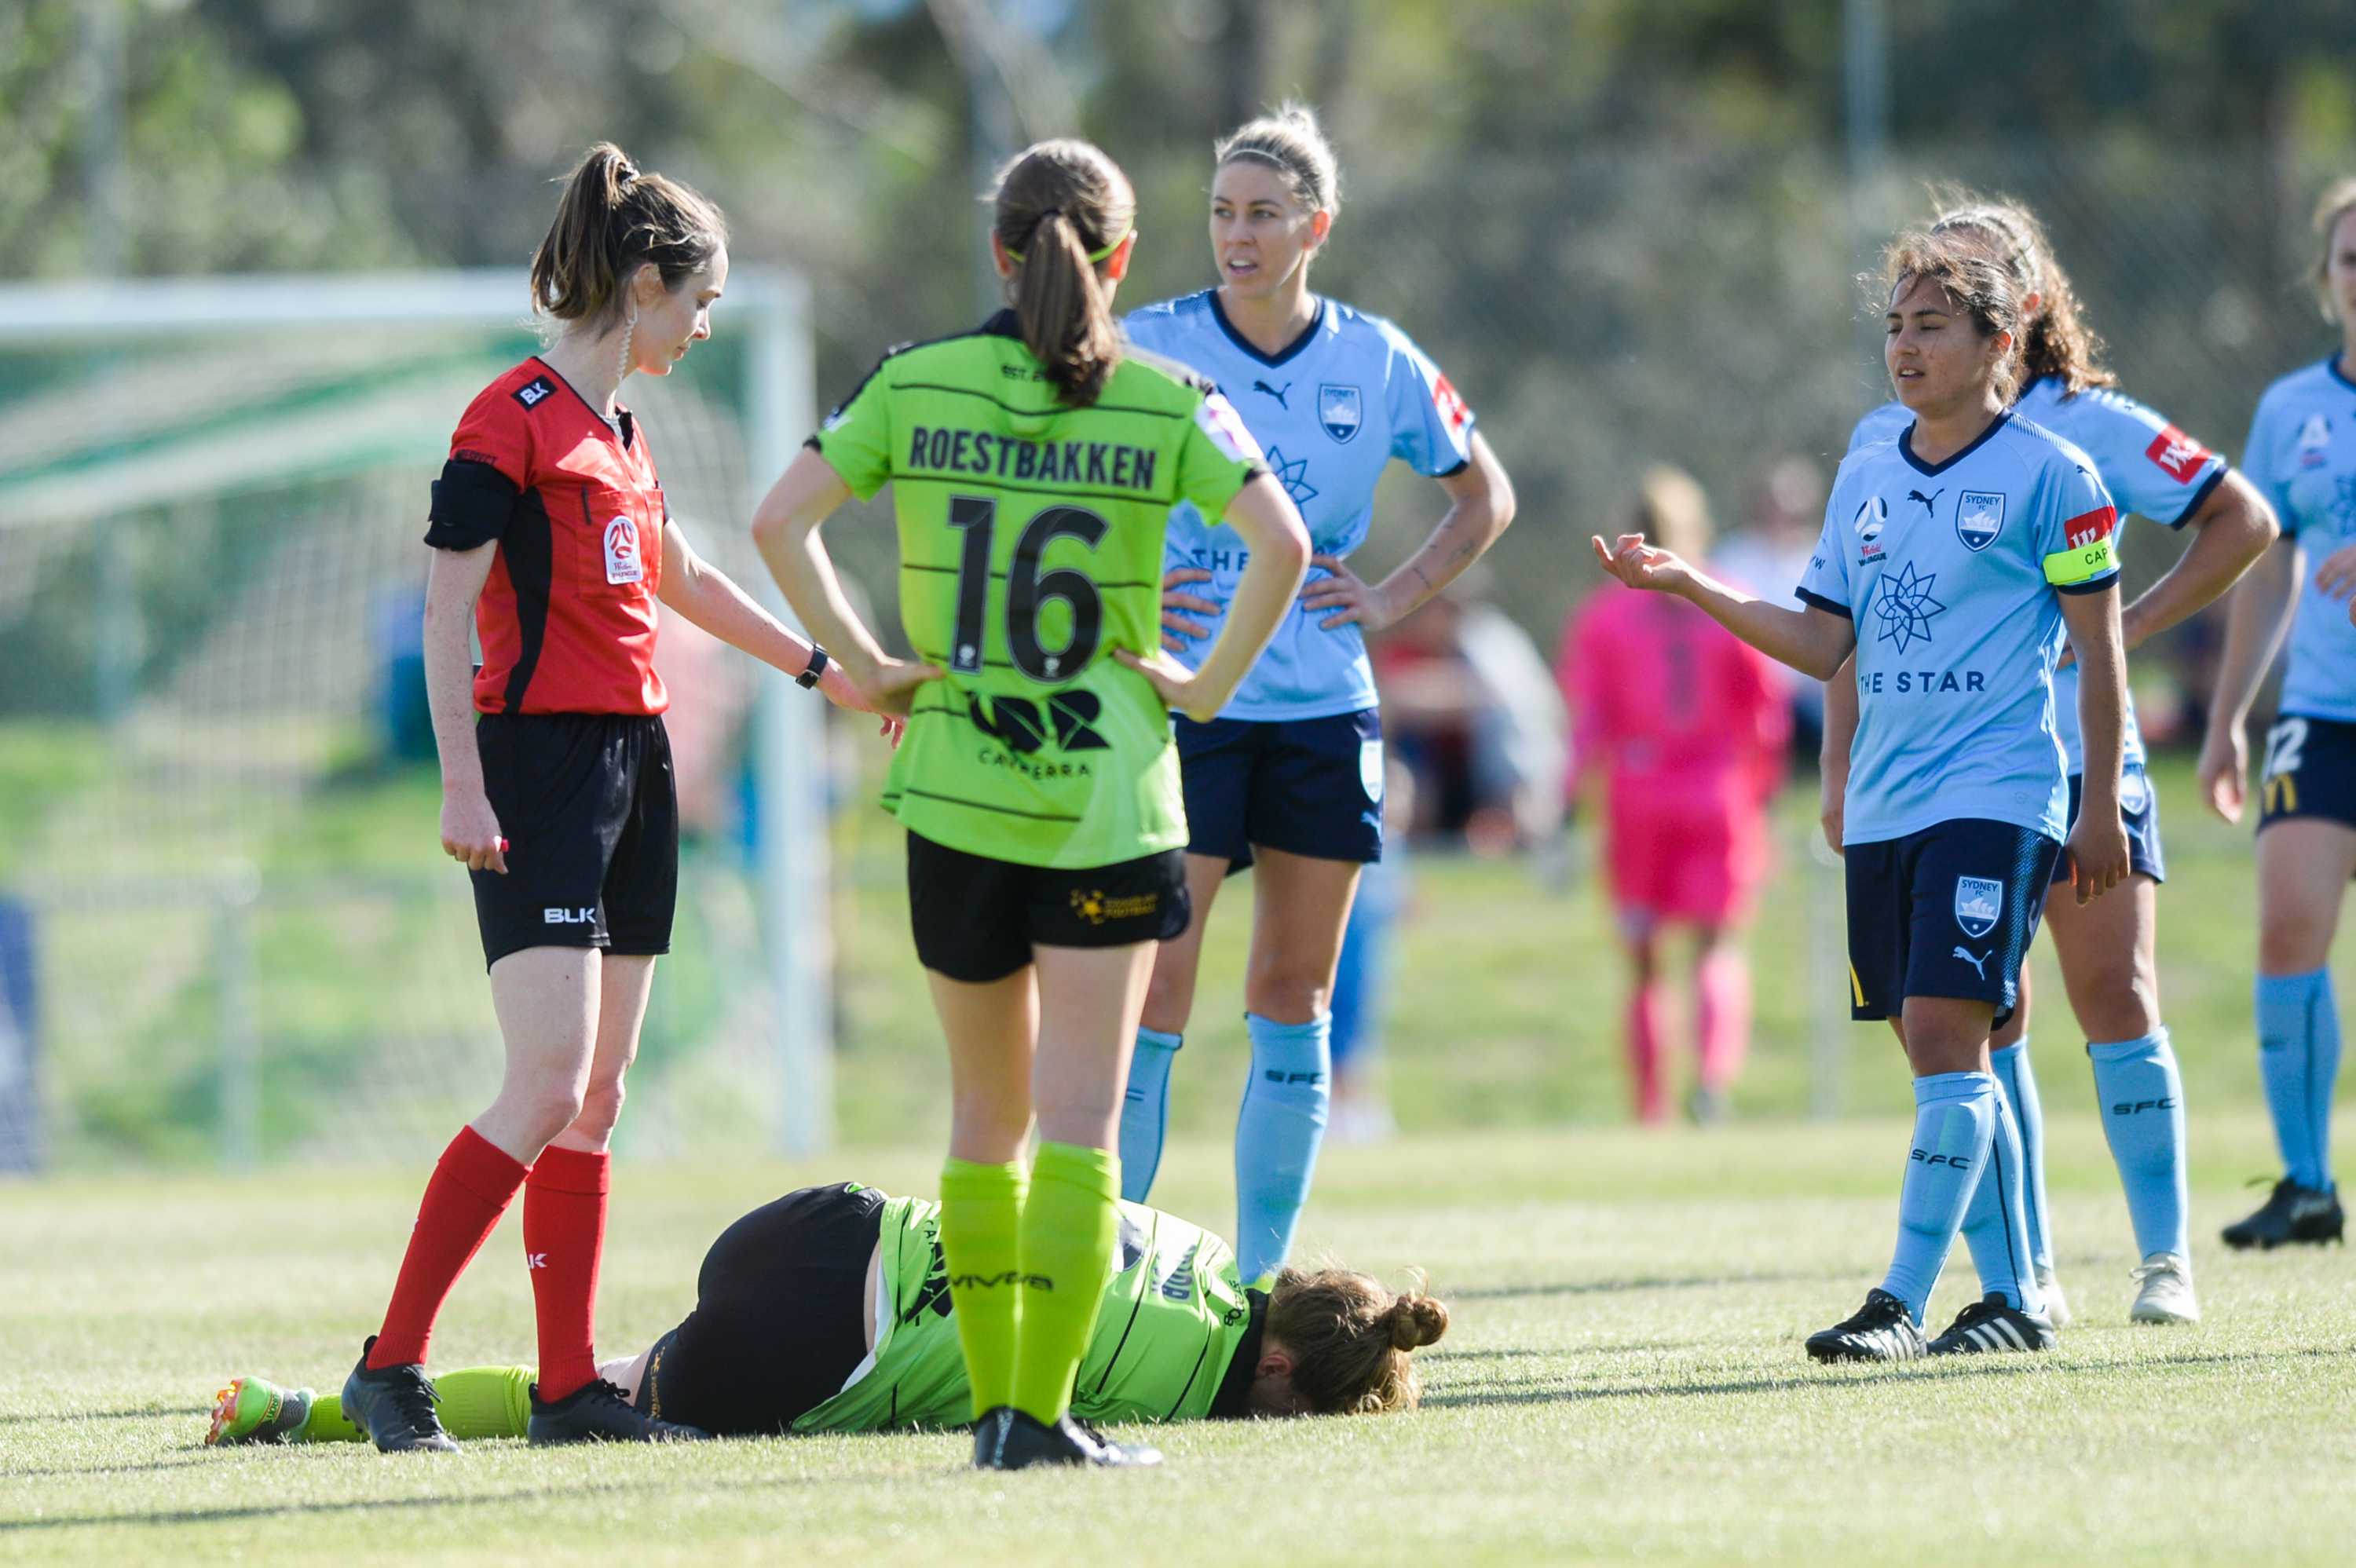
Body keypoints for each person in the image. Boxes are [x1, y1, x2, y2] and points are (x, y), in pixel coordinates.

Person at [748, 139, 1311, 1470]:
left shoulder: (912, 380)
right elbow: (1284, 544)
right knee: (1081, 1126)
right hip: (1107, 801)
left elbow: (782, 521)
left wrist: (867, 664)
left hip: (952, 789)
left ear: (1000, 253)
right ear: (1122, 260)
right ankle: (1032, 1417)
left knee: (980, 1122)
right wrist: (1206, 684)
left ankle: (1005, 1412)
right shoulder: (1169, 398)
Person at [343, 144, 892, 1454]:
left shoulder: (621, 432)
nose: (706, 326)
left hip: (635, 770)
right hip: (538, 767)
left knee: (598, 1095)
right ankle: (391, 1363)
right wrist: (464, 776)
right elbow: (443, 607)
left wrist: (824, 668)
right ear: (645, 282)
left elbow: (685, 575)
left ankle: (568, 1389)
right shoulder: (511, 416)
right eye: (698, 301)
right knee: (540, 1084)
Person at [1594, 227, 2131, 1361]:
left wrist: (2098, 811)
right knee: (1937, 1052)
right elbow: (1822, 638)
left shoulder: (2056, 476)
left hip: (1999, 791)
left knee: (1948, 1031)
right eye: (1894, 325)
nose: (1905, 346)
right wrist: (1691, 582)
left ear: (2001, 341)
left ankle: (1899, 1301)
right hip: (1889, 804)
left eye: (1932, 324)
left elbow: (2104, 655)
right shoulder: (1869, 471)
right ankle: (2015, 1297)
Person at [1824, 197, 2277, 1324]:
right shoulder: (1887, 442)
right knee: (1983, 1018)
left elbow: (2243, 519)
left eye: (1963, 289)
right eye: (1914, 301)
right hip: (1939, 775)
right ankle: (2020, 1278)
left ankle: (2165, 1260)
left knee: (2114, 992)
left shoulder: (2088, 432)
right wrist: (1841, 768)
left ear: (2017, 311)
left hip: (2079, 761)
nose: (1925, 321)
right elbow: (1850, 621)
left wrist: (2125, 629)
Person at [1116, 104, 1517, 1282]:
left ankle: (1258, 1290)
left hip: (1320, 712)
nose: (1236, 235)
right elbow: (1071, 484)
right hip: (1187, 704)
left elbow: (1483, 495)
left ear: (1315, 226)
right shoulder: (1145, 343)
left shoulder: (1377, 358)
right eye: (1222, 213)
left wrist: (1392, 597)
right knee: (1156, 984)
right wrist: (1125, 600)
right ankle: (1111, 1277)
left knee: (1294, 991)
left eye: (1263, 214)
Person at [206, 1180, 1451, 1446]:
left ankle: (301, 1405)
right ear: (1280, 1372)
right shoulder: (1189, 1388)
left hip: (814, 1225)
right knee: (584, 1406)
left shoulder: (1202, 1249)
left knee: (609, 1380)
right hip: (812, 1351)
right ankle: (293, 1414)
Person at [2199, 177, 2356, 1251]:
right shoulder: (2290, 408)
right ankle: (2306, 1186)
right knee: (2289, 920)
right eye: (2352, 258)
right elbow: (2263, 570)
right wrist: (2228, 720)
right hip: (2323, 709)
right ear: (2328, 281)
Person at [1561, 467, 1790, 1125]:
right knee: (1715, 949)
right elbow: (1766, 713)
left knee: (1643, 964)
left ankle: (1651, 1107)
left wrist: (1570, 798)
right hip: (1717, 792)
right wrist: (1763, 796)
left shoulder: (1603, 616)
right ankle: (1712, 1083)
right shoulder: (1729, 599)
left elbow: (1587, 721)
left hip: (1638, 793)